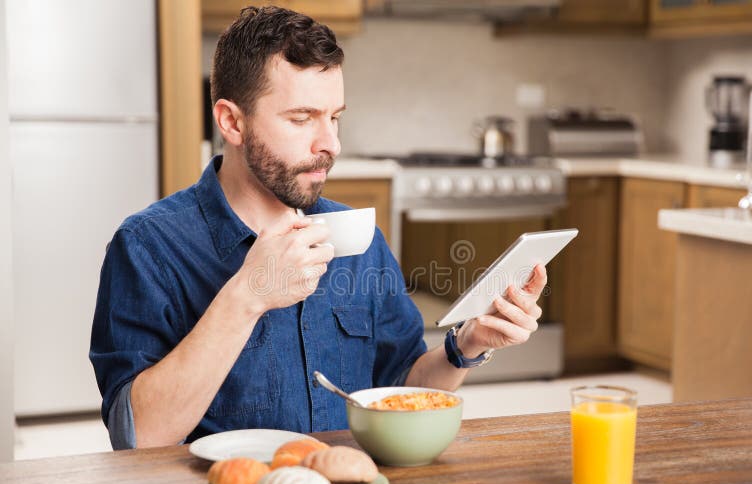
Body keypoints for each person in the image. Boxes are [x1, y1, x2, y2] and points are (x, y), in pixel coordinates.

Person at [89, 5, 547, 450]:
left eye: (334, 117)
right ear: (232, 121)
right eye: (301, 118)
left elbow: (400, 385)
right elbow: (137, 436)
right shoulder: (148, 247)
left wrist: (464, 346)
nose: (330, 144)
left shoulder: (358, 242)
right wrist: (248, 295)